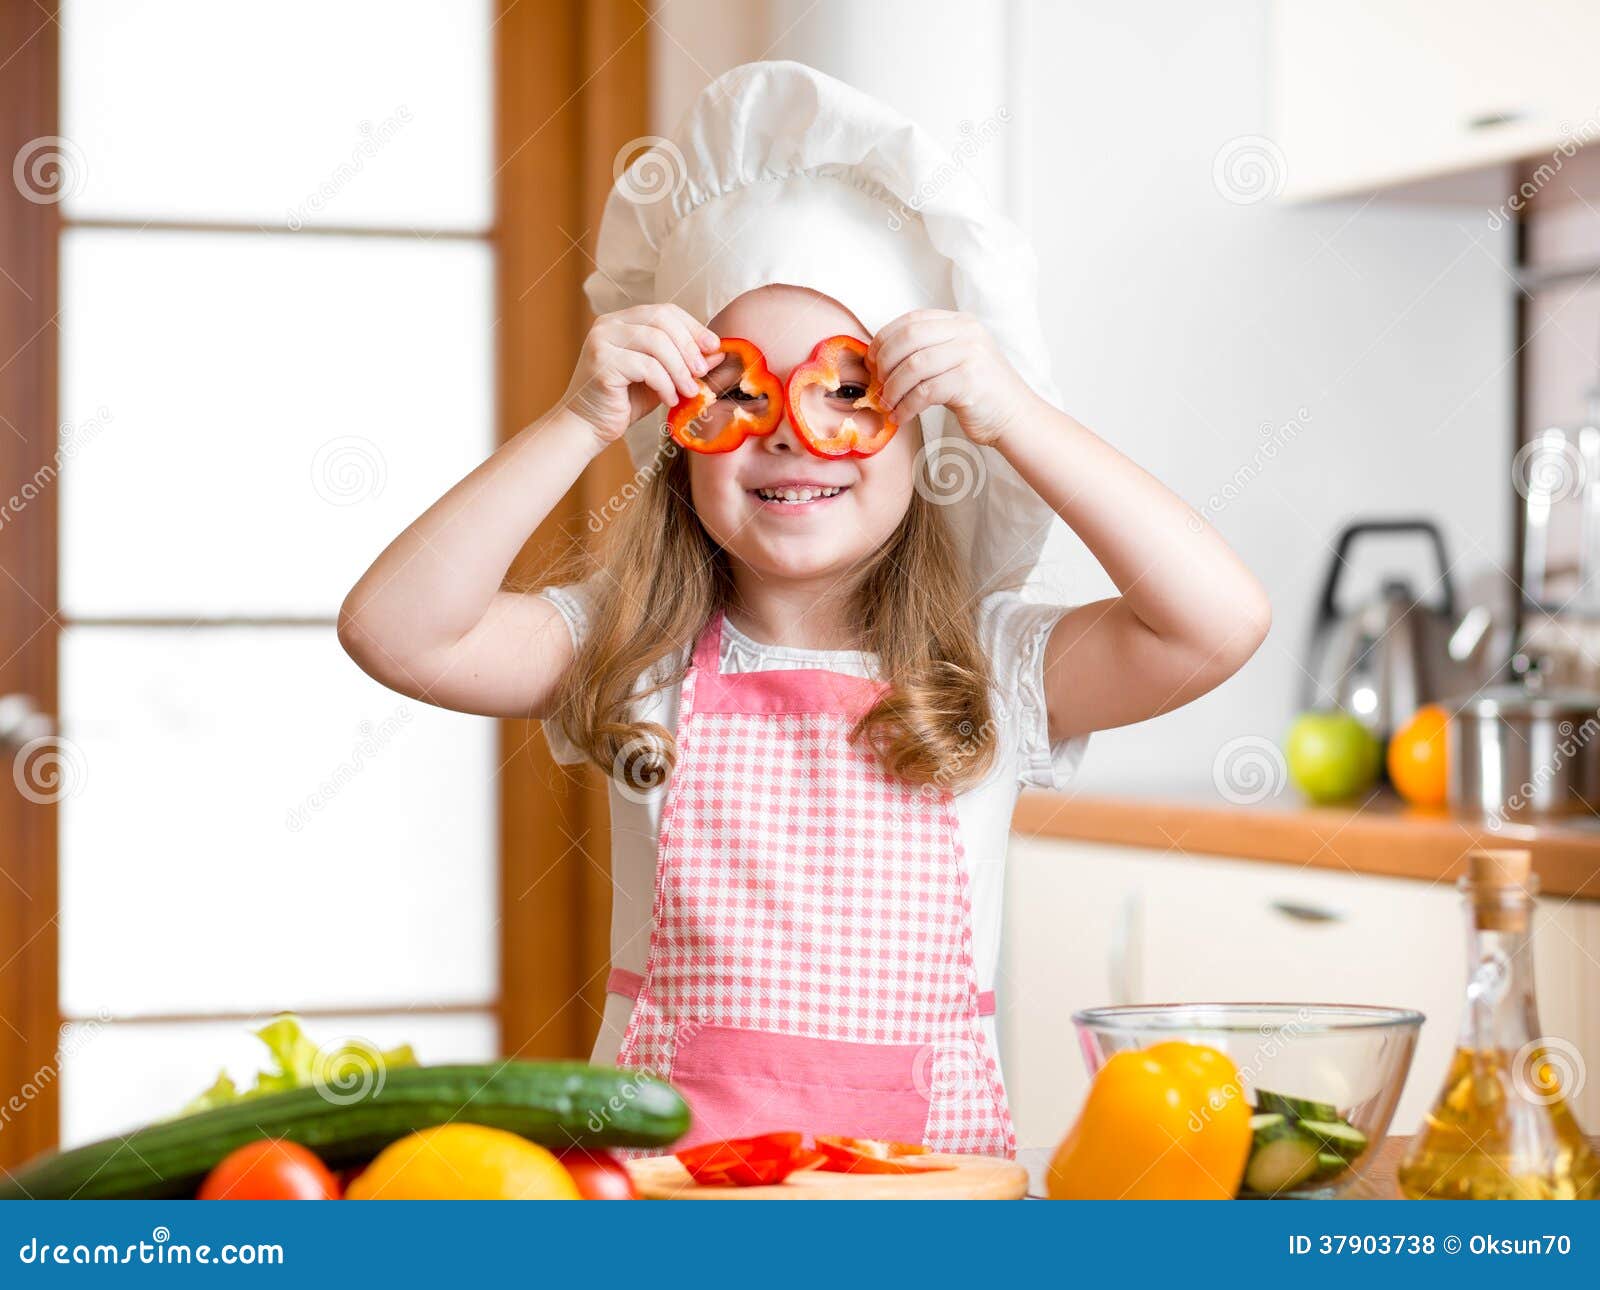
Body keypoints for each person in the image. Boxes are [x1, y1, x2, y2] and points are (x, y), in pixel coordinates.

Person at [338, 62, 1270, 1156]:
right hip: (661, 1204)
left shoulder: (992, 668)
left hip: (923, 1203)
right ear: (674, 435)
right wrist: (575, 421)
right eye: (737, 393)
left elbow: (1217, 621)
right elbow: (392, 630)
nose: (787, 433)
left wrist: (1016, 412)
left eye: (847, 390)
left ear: (927, 435)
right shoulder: (627, 650)